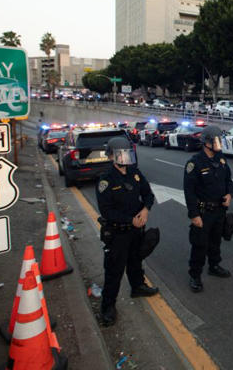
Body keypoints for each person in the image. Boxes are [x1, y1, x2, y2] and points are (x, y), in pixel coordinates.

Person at [96, 137, 158, 326]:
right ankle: (108, 307)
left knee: (136, 261)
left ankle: (137, 286)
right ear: (111, 156)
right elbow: (107, 210)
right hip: (118, 232)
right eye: (121, 154)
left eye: (128, 153)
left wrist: (145, 210)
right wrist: (130, 219)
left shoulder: (134, 172)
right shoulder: (106, 179)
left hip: (137, 229)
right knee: (114, 270)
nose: (125, 157)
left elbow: (148, 194)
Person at [184, 125, 233, 293]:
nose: (219, 143)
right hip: (203, 212)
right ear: (206, 143)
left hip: (219, 210)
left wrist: (229, 195)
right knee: (200, 244)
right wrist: (194, 214)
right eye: (216, 140)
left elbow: (229, 180)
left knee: (215, 241)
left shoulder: (221, 159)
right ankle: (195, 275)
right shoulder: (195, 163)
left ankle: (214, 265)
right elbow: (189, 191)